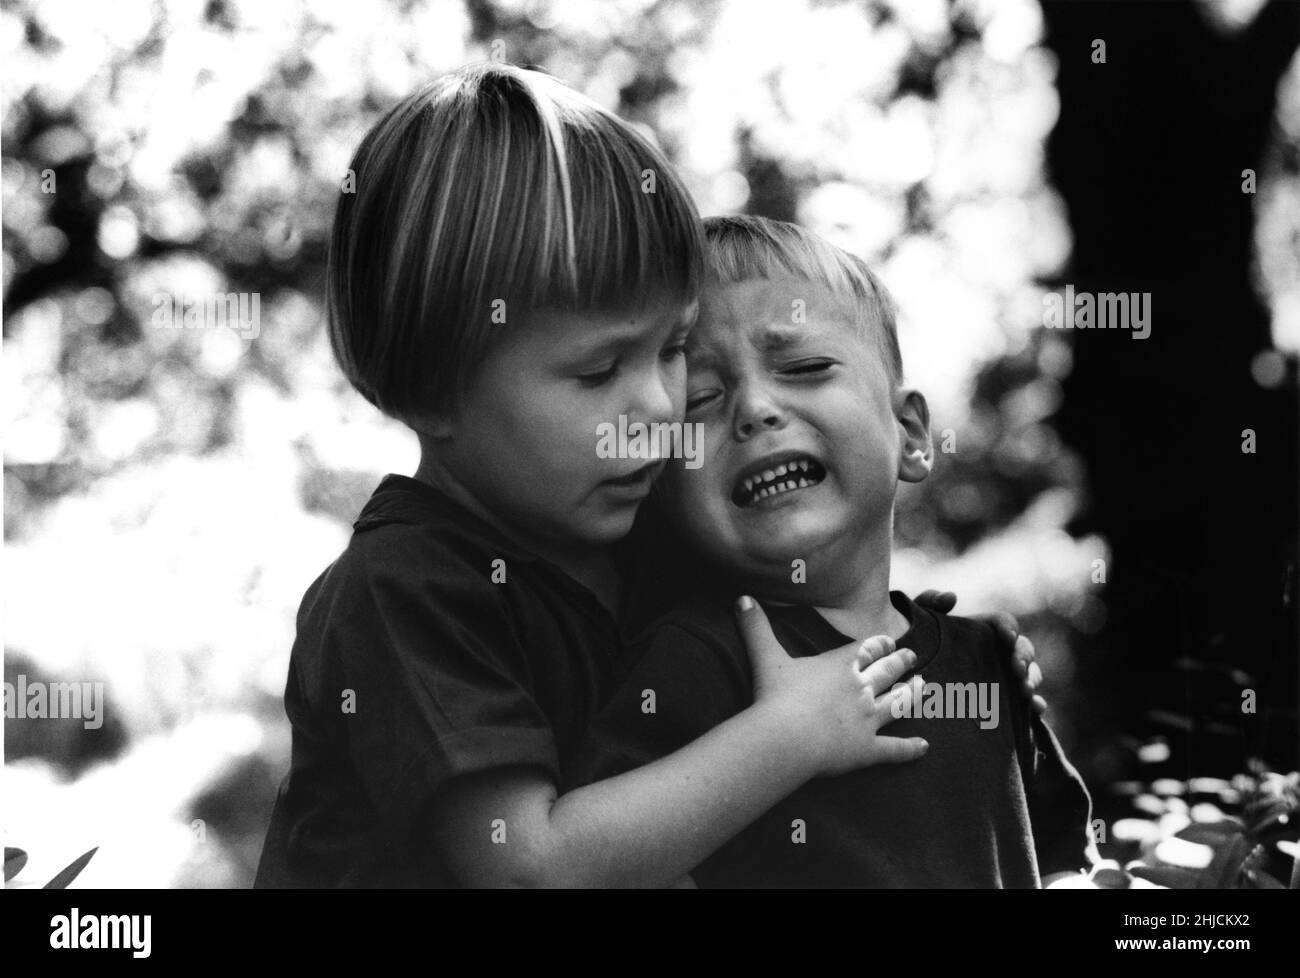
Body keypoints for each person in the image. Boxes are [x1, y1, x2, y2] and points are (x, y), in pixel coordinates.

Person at [255, 64, 972, 888]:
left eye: (673, 352)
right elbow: (529, 867)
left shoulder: (640, 541)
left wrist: (937, 649)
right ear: (431, 388)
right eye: (599, 372)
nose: (660, 408)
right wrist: (789, 737)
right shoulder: (403, 592)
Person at [581, 216, 1095, 887]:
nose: (755, 409)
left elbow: (1065, 862)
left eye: (805, 367)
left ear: (910, 433)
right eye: (701, 400)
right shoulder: (700, 661)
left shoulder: (988, 662)